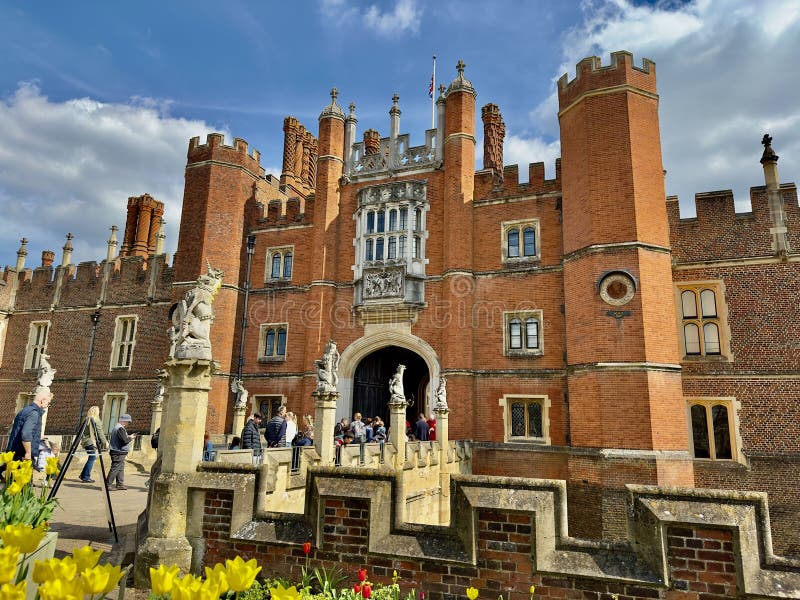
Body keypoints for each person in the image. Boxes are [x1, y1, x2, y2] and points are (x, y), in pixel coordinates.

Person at [6, 389, 52, 464]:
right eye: (48, 402)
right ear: (42, 400)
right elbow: (26, 434)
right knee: (23, 475)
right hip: (22, 454)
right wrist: (28, 452)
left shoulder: (25, 410)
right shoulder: (34, 413)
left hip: (15, 452)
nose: (48, 405)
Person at [79, 405, 108, 483]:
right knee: (92, 459)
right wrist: (105, 442)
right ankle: (86, 477)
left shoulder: (86, 420)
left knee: (91, 458)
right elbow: (100, 432)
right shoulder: (96, 420)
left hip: (85, 442)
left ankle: (83, 475)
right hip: (91, 442)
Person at [106, 414, 135, 490]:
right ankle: (108, 484)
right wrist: (131, 438)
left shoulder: (117, 427)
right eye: (128, 422)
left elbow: (122, 439)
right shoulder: (120, 429)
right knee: (115, 468)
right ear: (124, 421)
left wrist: (128, 437)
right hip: (118, 452)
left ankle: (120, 484)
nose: (128, 423)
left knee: (120, 468)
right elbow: (125, 441)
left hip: (118, 451)